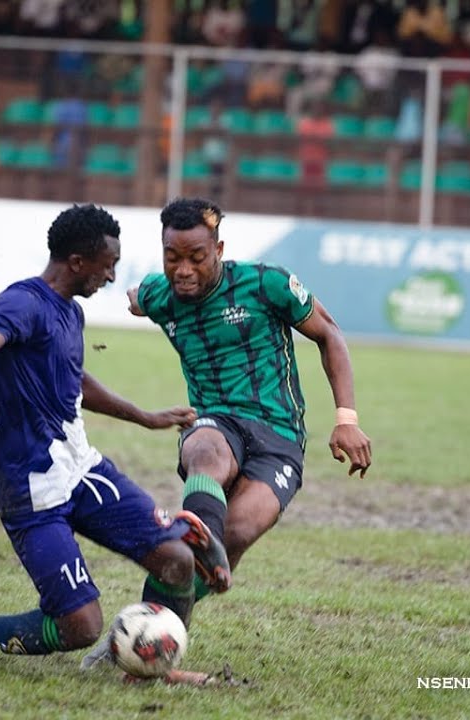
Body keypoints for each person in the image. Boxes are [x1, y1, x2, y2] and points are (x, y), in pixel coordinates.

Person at [0, 204, 230, 685]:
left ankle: (149, 667)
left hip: (83, 470)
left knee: (177, 560)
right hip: (31, 490)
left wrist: (146, 417)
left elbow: (77, 382)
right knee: (80, 627)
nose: (112, 277)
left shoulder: (70, 313)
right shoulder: (22, 303)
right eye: (107, 265)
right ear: (77, 262)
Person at [81, 197, 372, 669]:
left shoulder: (266, 284)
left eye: (196, 256)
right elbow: (139, 296)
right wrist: (136, 298)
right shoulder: (162, 294)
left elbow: (330, 334)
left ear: (218, 249)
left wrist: (347, 420)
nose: (183, 269)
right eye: (172, 257)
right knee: (205, 448)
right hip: (215, 420)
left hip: (279, 435)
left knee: (238, 531)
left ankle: (142, 630)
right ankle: (172, 581)